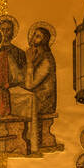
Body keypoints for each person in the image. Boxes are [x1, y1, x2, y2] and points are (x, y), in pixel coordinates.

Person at [25, 24, 60, 152]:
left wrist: (29, 64)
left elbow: (29, 85)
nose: (34, 38)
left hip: (44, 100)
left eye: (38, 36)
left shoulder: (46, 60)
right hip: (35, 96)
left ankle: (27, 141)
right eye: (34, 34)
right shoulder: (35, 55)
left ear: (44, 41)